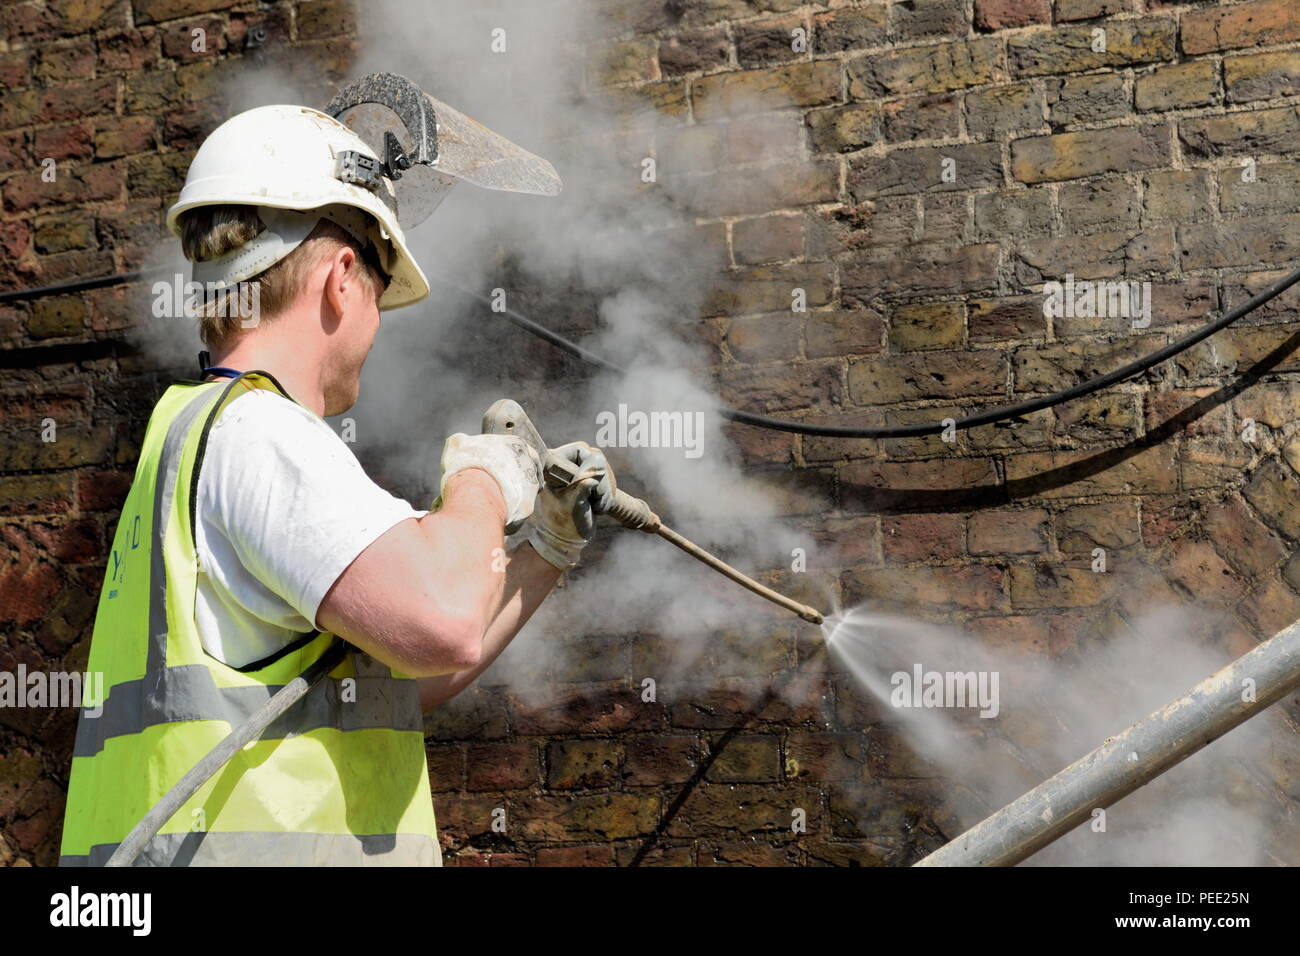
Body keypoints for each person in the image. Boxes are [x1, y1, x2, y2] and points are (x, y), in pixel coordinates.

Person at [59, 103, 612, 866]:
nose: (377, 326)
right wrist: (484, 479)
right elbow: (445, 619)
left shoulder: (192, 432)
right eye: (381, 297)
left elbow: (399, 676)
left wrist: (546, 545)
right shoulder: (262, 435)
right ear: (343, 280)